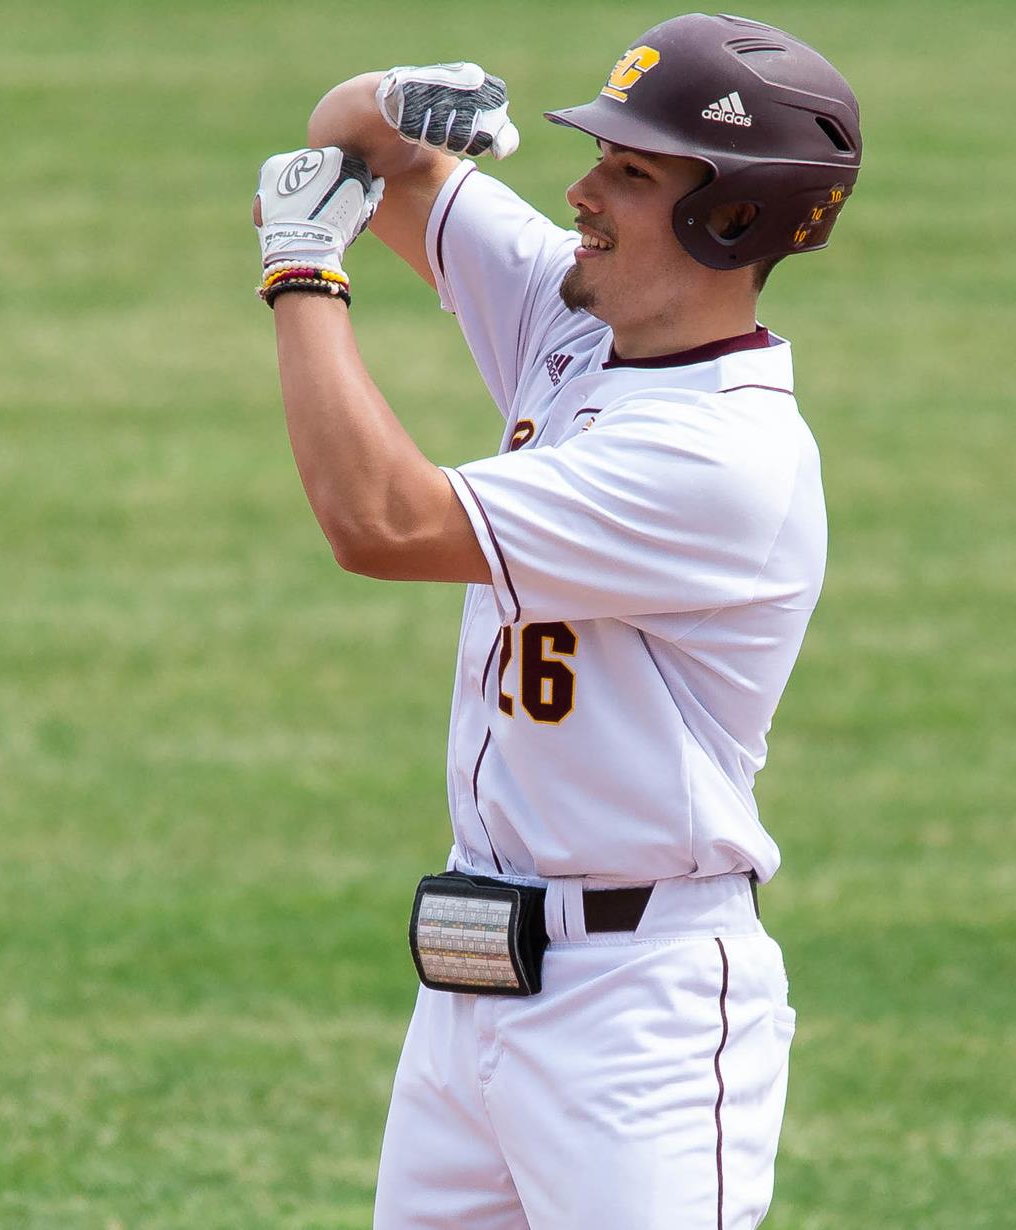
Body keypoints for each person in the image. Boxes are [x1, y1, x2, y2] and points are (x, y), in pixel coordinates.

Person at [249, 13, 861, 1228]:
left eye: (629, 172)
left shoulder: (720, 456)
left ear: (727, 217)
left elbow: (377, 523)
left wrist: (302, 274)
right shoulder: (581, 326)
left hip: (636, 1022)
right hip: (473, 988)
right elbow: (352, 145)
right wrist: (398, 96)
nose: (579, 189)